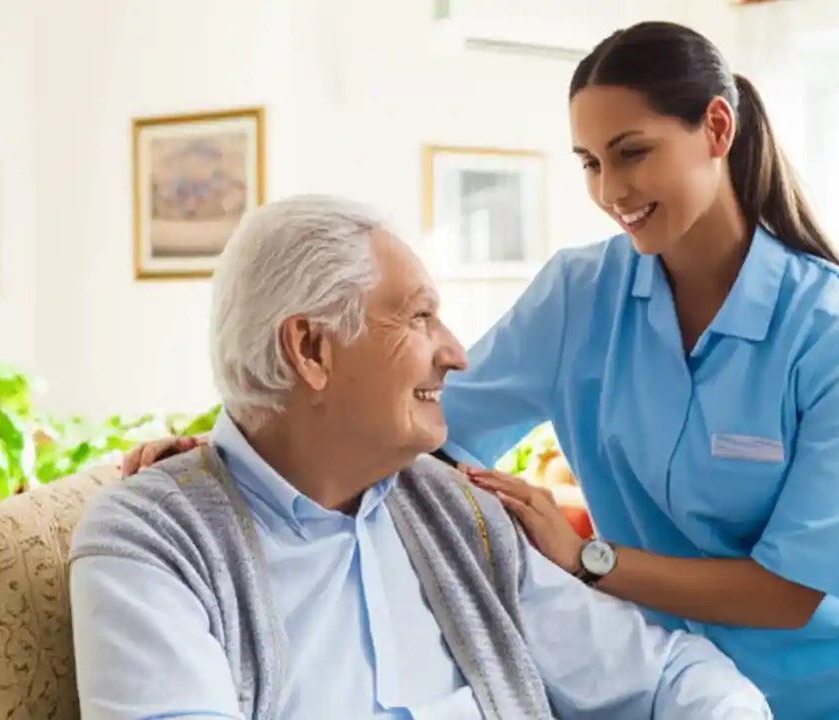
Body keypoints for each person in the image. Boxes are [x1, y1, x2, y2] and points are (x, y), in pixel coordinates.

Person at [119, 21, 839, 720]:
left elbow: (793, 593)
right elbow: (425, 417)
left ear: (717, 128)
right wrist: (244, 447)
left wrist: (589, 560)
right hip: (681, 685)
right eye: (591, 163)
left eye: (632, 152)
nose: (610, 190)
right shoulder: (581, 294)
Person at [74, 194, 772, 719]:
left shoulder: (455, 514)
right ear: (311, 350)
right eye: (418, 317)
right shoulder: (152, 540)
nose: (457, 355)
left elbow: (668, 677)